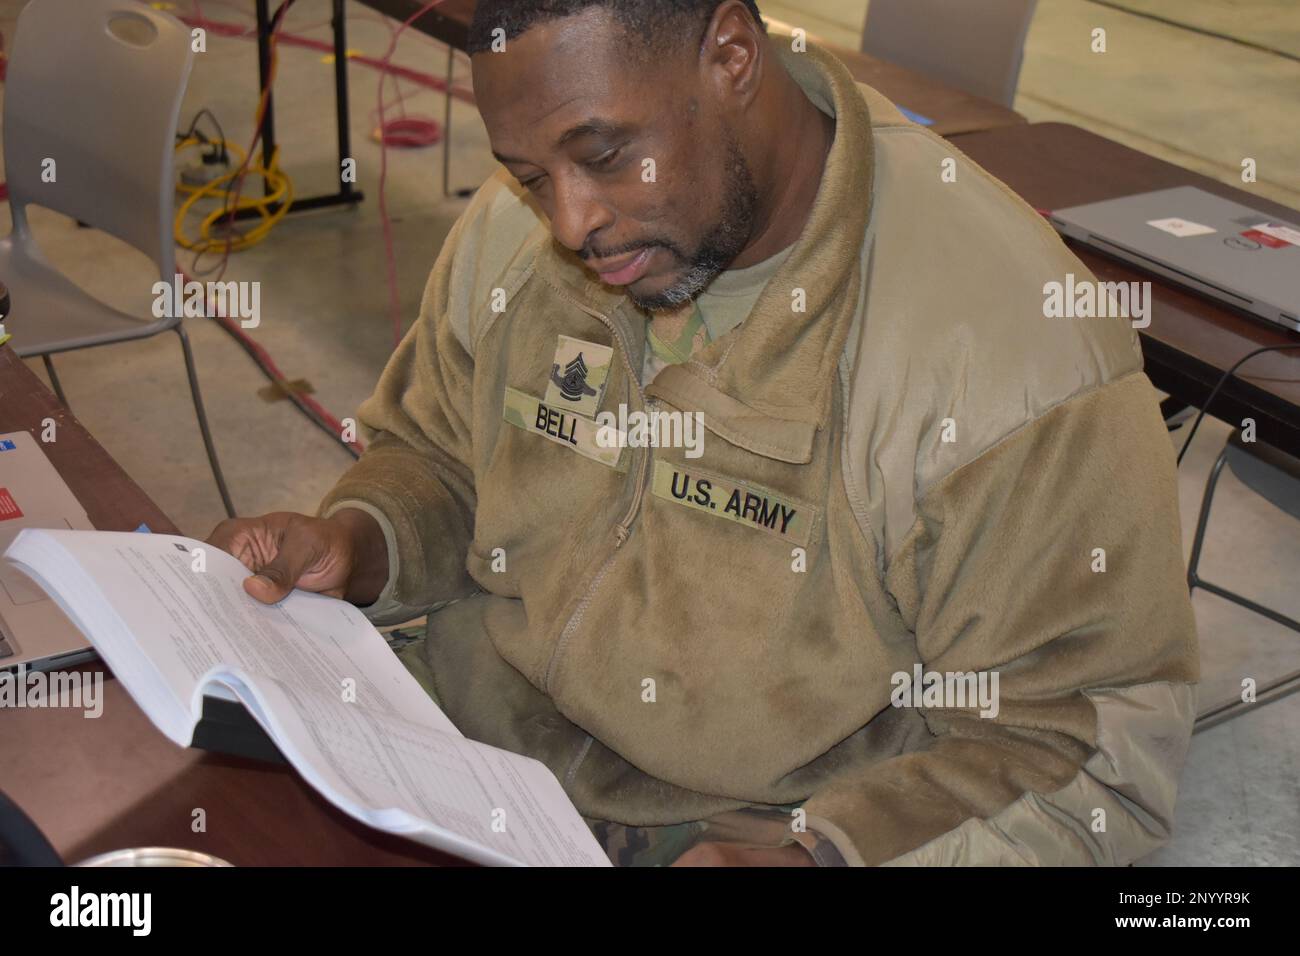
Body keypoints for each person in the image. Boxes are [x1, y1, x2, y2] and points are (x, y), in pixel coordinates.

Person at [208, 0, 1199, 866]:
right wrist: (362, 538)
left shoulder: (1001, 350)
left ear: (731, 55)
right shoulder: (529, 224)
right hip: (465, 756)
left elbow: (1080, 751)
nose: (569, 221)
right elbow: (433, 449)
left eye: (602, 156)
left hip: (755, 829)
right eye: (528, 173)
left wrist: (827, 856)